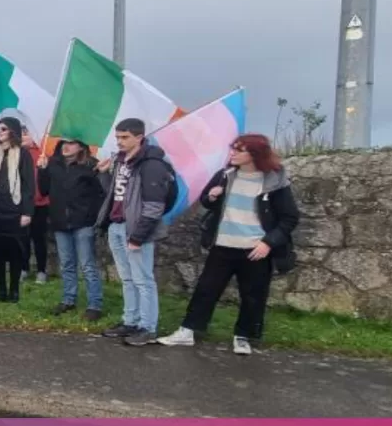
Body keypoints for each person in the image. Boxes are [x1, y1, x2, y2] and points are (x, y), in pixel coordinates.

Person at [158, 134, 300, 355]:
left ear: (254, 155)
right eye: (232, 148)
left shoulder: (274, 182)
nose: (232, 153)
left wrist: (268, 243)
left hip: (255, 249)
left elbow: (289, 218)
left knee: (253, 295)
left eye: (238, 150)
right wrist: (212, 197)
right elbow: (206, 200)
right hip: (222, 245)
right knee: (205, 290)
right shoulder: (225, 175)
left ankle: (243, 336)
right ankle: (187, 331)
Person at [95, 118, 173, 346]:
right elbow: (115, 194)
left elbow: (154, 205)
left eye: (124, 137)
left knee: (143, 280)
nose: (119, 141)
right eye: (118, 137)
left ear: (139, 137)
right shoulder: (121, 161)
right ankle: (130, 320)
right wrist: (103, 175)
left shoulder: (151, 164)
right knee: (127, 278)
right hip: (117, 225)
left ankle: (148, 327)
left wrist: (139, 235)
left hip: (136, 229)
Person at [38, 138, 105, 321]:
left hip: (82, 223)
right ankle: (68, 299)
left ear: (82, 147)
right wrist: (42, 170)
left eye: (72, 143)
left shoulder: (90, 166)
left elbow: (100, 194)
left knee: (87, 265)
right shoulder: (53, 164)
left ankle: (94, 305)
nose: (66, 146)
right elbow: (44, 191)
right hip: (60, 222)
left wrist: (90, 216)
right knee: (67, 264)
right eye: (64, 143)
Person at [0, 117, 36, 303]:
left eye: (3, 128)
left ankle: (14, 290)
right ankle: (1, 290)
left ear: (13, 131)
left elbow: (29, 184)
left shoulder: (23, 154)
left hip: (15, 209)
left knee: (14, 253)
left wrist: (27, 212)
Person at [20, 126, 51, 284]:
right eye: (21, 134)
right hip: (21, 203)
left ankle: (41, 271)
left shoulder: (43, 152)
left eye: (26, 133)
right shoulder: (16, 153)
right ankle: (24, 268)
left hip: (40, 203)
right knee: (22, 238)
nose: (23, 136)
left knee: (39, 238)